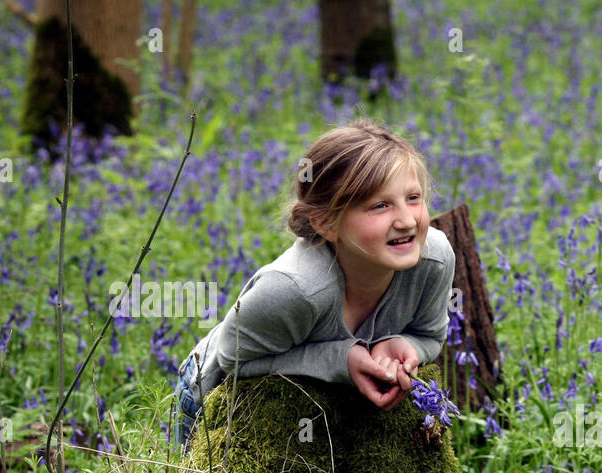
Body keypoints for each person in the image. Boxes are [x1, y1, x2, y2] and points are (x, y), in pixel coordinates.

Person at [173, 118, 455, 449]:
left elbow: (430, 335)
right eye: (380, 205)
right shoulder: (294, 290)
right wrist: (341, 360)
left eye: (413, 197)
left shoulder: (433, 259)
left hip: (317, 401)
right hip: (217, 391)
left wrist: (406, 346)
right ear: (326, 223)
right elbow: (232, 361)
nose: (407, 220)